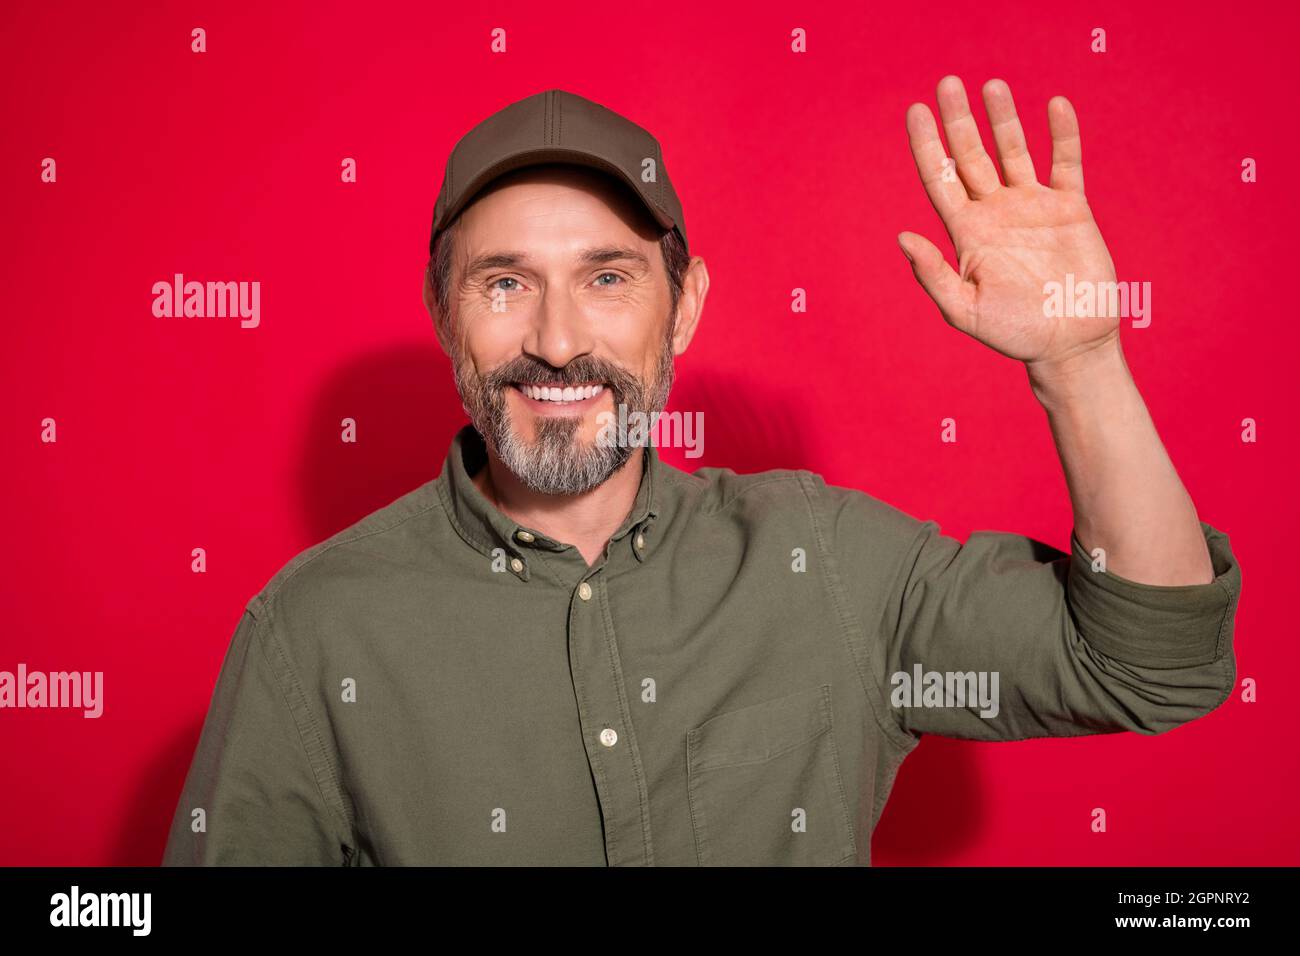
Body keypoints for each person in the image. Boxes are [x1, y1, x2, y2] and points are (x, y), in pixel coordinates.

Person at [162, 83, 1240, 866]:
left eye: (608, 277)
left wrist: (1078, 359)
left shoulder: (825, 559)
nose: (555, 339)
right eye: (503, 283)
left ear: (684, 305)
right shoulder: (312, 629)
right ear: (446, 313)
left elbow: (1150, 662)